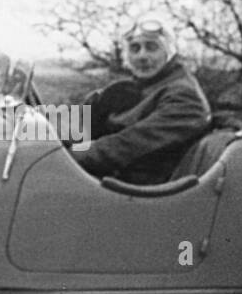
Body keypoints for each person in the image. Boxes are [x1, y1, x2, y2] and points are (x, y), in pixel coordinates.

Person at [72, 20, 212, 184]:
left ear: (169, 52)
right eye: (135, 48)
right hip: (119, 184)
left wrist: (71, 153)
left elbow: (125, 145)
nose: (142, 56)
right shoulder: (136, 87)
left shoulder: (183, 96)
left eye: (151, 47)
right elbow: (78, 122)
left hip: (143, 196)